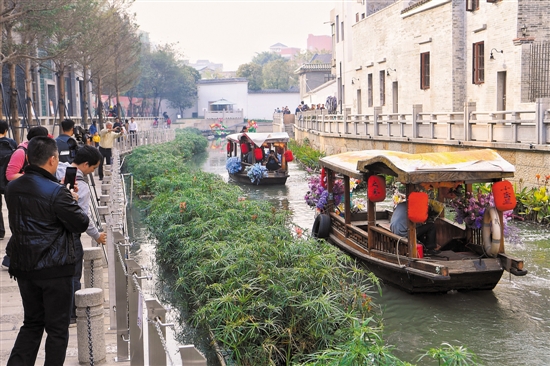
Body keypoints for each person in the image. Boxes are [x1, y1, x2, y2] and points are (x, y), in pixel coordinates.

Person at [5, 136, 89, 366]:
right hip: (55, 269)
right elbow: (80, 223)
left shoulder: (12, 187)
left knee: (32, 323)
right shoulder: (57, 192)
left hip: (24, 267)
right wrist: (70, 198)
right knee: (57, 329)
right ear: (53, 159)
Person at [56, 145, 106, 325]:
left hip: (51, 234)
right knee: (73, 275)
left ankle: (58, 311)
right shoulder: (81, 185)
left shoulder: (59, 169)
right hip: (70, 236)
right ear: (85, 164)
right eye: (93, 168)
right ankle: (72, 314)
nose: (92, 172)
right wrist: (96, 235)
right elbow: (82, 216)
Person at [0, 121, 16, 241]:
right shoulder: (11, 143)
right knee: (13, 206)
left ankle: (0, 232)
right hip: (8, 180)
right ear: (6, 130)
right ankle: (15, 229)